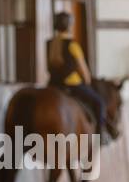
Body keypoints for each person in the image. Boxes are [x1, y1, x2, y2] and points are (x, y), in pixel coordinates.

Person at [45, 11, 108, 142]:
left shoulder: (49, 43)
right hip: (72, 85)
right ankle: (100, 137)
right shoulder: (73, 45)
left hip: (53, 85)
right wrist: (87, 80)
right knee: (99, 102)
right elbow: (85, 73)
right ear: (69, 26)